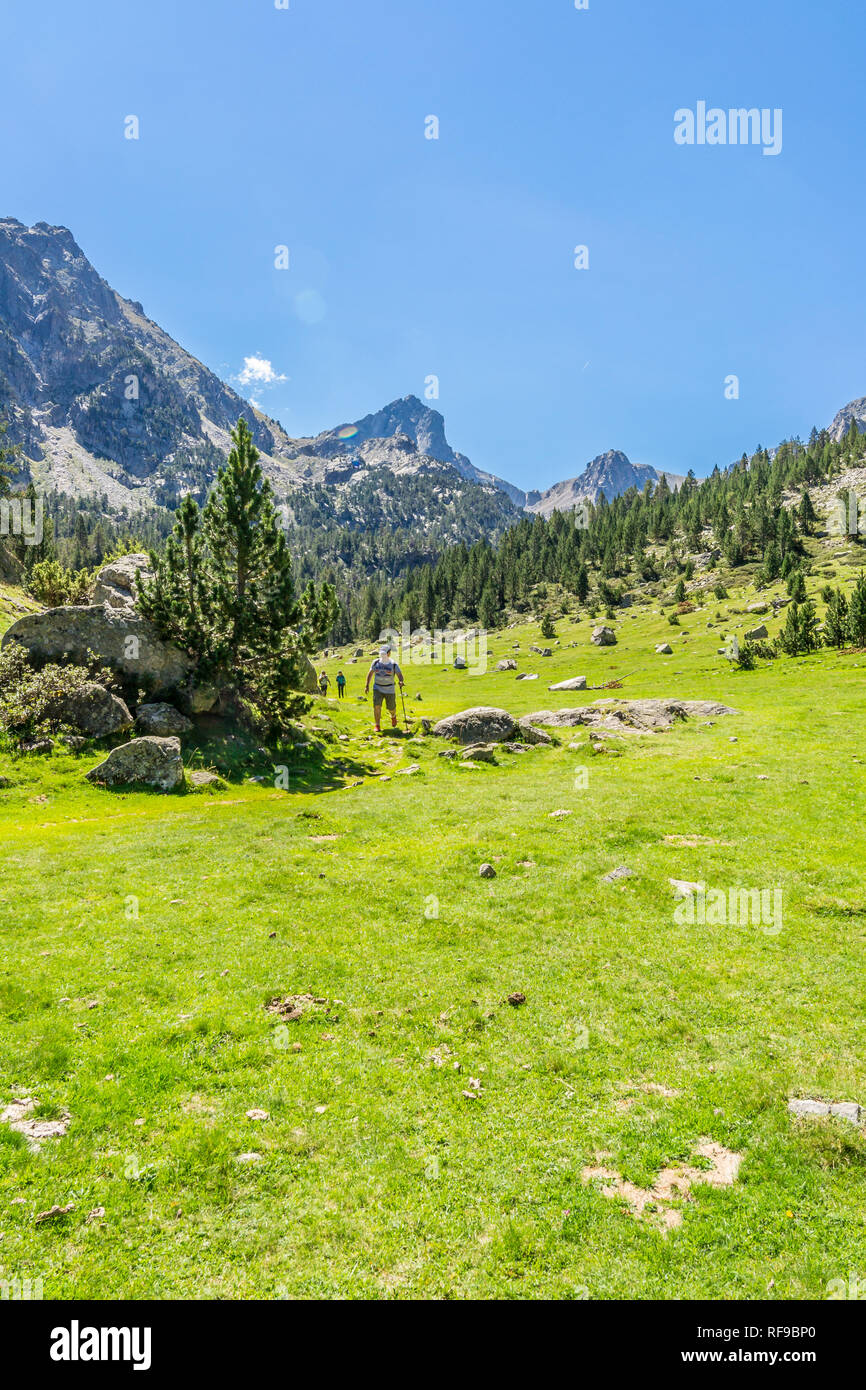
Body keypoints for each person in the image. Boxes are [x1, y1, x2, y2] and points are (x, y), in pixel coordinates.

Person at [365, 644, 404, 731]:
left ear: (389, 653)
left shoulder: (393, 664)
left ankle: (393, 716)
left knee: (391, 708)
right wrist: (367, 685)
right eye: (382, 654)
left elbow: (400, 675)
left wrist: (401, 681)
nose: (383, 655)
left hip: (389, 689)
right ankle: (377, 725)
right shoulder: (376, 662)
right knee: (377, 706)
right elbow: (370, 673)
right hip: (377, 688)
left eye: (385, 654)